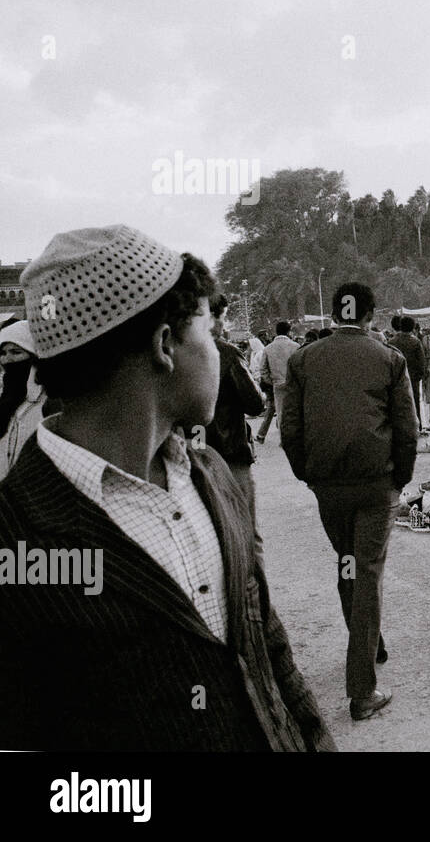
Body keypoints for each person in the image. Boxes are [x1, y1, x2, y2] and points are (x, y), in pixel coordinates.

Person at [0, 225, 333, 750]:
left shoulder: (211, 475)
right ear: (164, 346)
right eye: (208, 332)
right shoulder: (16, 542)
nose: (219, 354)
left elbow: (268, 649)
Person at [280, 281, 418, 721]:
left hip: (329, 485)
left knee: (348, 563)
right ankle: (362, 691)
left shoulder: (305, 359)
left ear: (336, 313)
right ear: (369, 315)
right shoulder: (389, 358)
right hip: (375, 485)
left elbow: (290, 430)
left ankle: (370, 643)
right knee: (367, 574)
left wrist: (308, 473)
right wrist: (401, 477)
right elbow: (407, 428)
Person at [205, 294, 264, 517]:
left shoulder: (174, 349)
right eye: (224, 317)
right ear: (212, 317)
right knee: (245, 527)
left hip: (191, 453)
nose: (225, 323)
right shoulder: (226, 352)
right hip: (229, 451)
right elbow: (255, 404)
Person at [0, 321, 44, 481]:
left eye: (16, 352)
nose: (7, 359)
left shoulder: (49, 402)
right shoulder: (5, 399)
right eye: (3, 353)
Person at [255, 320, 298, 443]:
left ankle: (282, 439)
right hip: (293, 383)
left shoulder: (268, 348)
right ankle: (293, 437)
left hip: (277, 384)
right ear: (289, 331)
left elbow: (262, 368)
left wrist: (271, 380)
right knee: (293, 411)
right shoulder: (295, 346)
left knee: (279, 412)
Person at [390, 316, 428, 425]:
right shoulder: (415, 342)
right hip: (412, 377)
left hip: (396, 378)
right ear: (412, 327)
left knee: (397, 403)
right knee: (414, 401)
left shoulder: (392, 341)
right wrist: (420, 375)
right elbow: (421, 362)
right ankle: (417, 425)